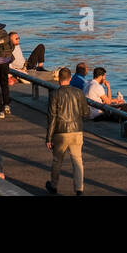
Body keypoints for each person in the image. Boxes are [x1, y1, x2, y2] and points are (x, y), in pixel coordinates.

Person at [44, 67, 88, 195]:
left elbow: (52, 117)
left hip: (60, 132)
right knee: (77, 160)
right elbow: (85, 112)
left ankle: (53, 185)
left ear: (58, 79)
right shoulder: (79, 93)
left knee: (57, 160)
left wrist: (49, 137)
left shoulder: (54, 94)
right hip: (76, 130)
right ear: (70, 78)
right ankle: (79, 188)